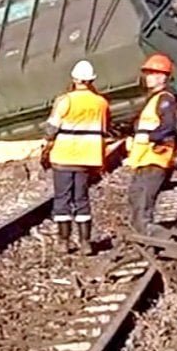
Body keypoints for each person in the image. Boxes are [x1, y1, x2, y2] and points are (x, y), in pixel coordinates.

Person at [44, 60, 111, 255]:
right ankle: (85, 243)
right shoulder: (101, 102)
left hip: (63, 157)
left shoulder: (65, 100)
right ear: (91, 80)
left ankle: (64, 242)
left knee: (62, 198)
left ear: (74, 79)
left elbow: (50, 131)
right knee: (81, 198)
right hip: (87, 158)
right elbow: (105, 128)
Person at [124, 53, 177, 234]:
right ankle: (140, 235)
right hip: (144, 158)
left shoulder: (165, 99)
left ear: (162, 77)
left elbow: (168, 126)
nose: (148, 78)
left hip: (155, 157)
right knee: (135, 197)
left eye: (152, 74)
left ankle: (149, 239)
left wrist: (151, 138)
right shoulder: (154, 99)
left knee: (143, 202)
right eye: (147, 74)